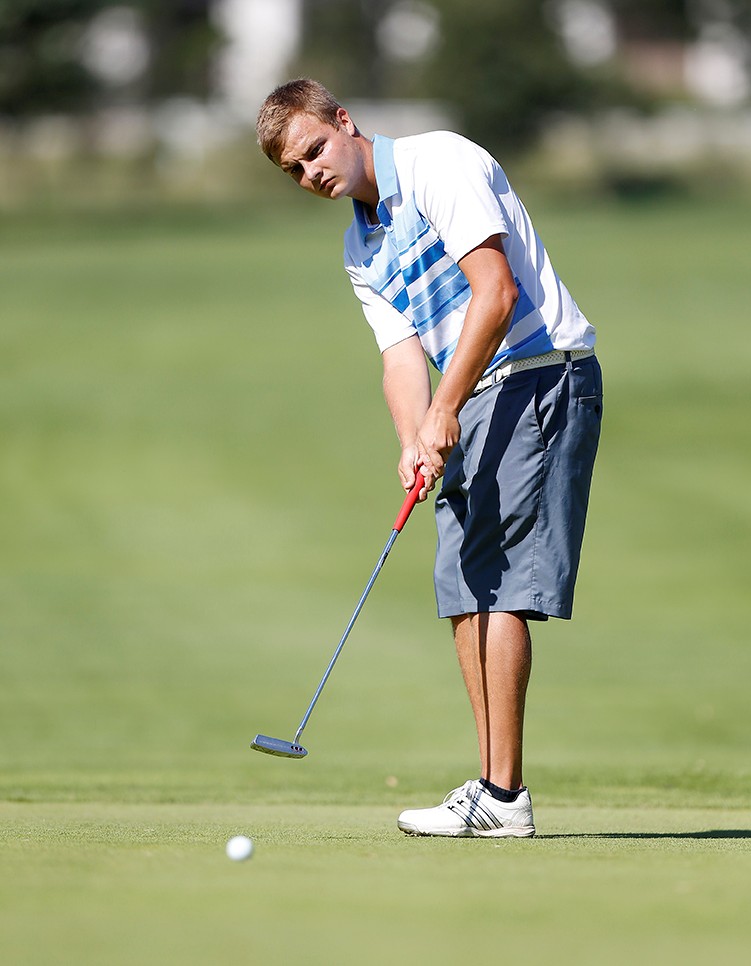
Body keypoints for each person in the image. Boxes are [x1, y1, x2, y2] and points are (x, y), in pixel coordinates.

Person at [256, 79, 602, 838]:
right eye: (295, 170)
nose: (312, 172)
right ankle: (491, 790)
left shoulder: (437, 164)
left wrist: (444, 408)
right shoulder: (360, 243)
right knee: (462, 583)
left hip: (540, 374)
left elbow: (497, 292)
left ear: (344, 122)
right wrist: (414, 438)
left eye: (315, 149)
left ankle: (504, 797)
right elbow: (400, 357)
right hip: (467, 393)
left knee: (503, 583)